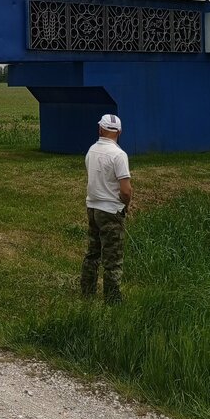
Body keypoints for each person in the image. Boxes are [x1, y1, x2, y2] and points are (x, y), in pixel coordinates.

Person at [80, 113, 132, 303]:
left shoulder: (91, 151)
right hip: (111, 211)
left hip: (92, 207)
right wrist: (126, 205)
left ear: (100, 129)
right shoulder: (119, 155)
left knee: (92, 252)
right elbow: (126, 190)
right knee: (113, 258)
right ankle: (112, 299)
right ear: (119, 131)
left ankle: (87, 292)